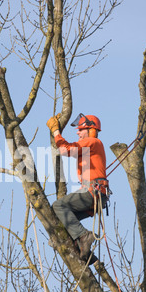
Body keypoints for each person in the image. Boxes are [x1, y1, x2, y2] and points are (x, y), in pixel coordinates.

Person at [46, 113, 109, 265]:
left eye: (81, 129)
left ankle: (84, 236)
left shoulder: (92, 142)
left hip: (92, 192)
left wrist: (56, 131)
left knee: (58, 206)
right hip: (96, 195)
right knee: (62, 222)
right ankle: (84, 251)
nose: (78, 132)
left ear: (91, 130)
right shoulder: (90, 146)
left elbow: (65, 149)